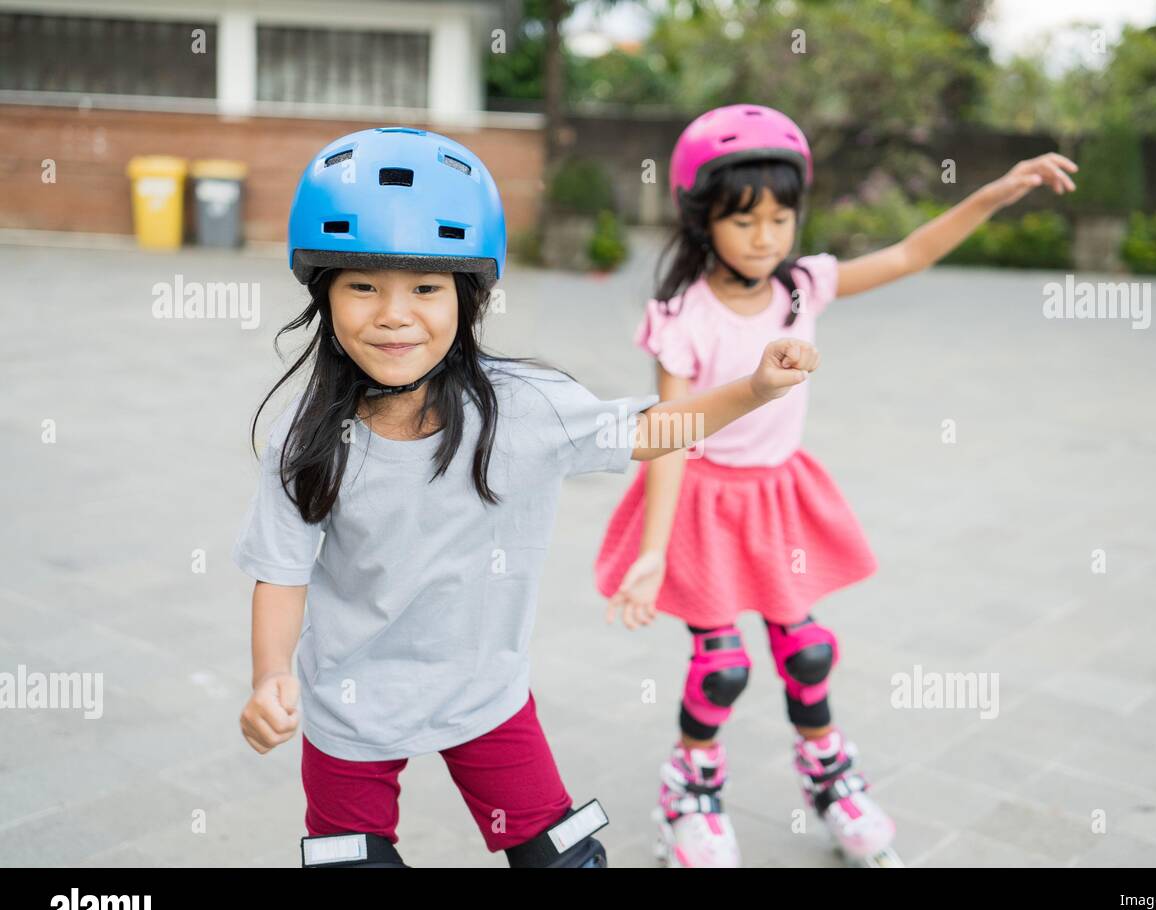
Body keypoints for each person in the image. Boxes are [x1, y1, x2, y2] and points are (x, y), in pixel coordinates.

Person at [232, 126, 822, 867]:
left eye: (424, 287)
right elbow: (281, 568)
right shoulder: (305, 432)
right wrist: (270, 675)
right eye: (362, 286)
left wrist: (755, 389)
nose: (393, 314)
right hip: (351, 703)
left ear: (468, 296)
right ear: (324, 292)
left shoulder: (521, 409)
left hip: (486, 696)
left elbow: (650, 429)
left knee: (568, 862)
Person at [595, 104, 1077, 867]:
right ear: (701, 220)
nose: (768, 237)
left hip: (778, 499)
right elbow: (672, 432)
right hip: (704, 503)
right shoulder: (684, 314)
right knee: (722, 666)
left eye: (782, 218)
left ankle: (830, 776)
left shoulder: (803, 287)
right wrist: (651, 552)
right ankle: (689, 787)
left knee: (808, 652)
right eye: (745, 220)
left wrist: (994, 194)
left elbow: (912, 253)